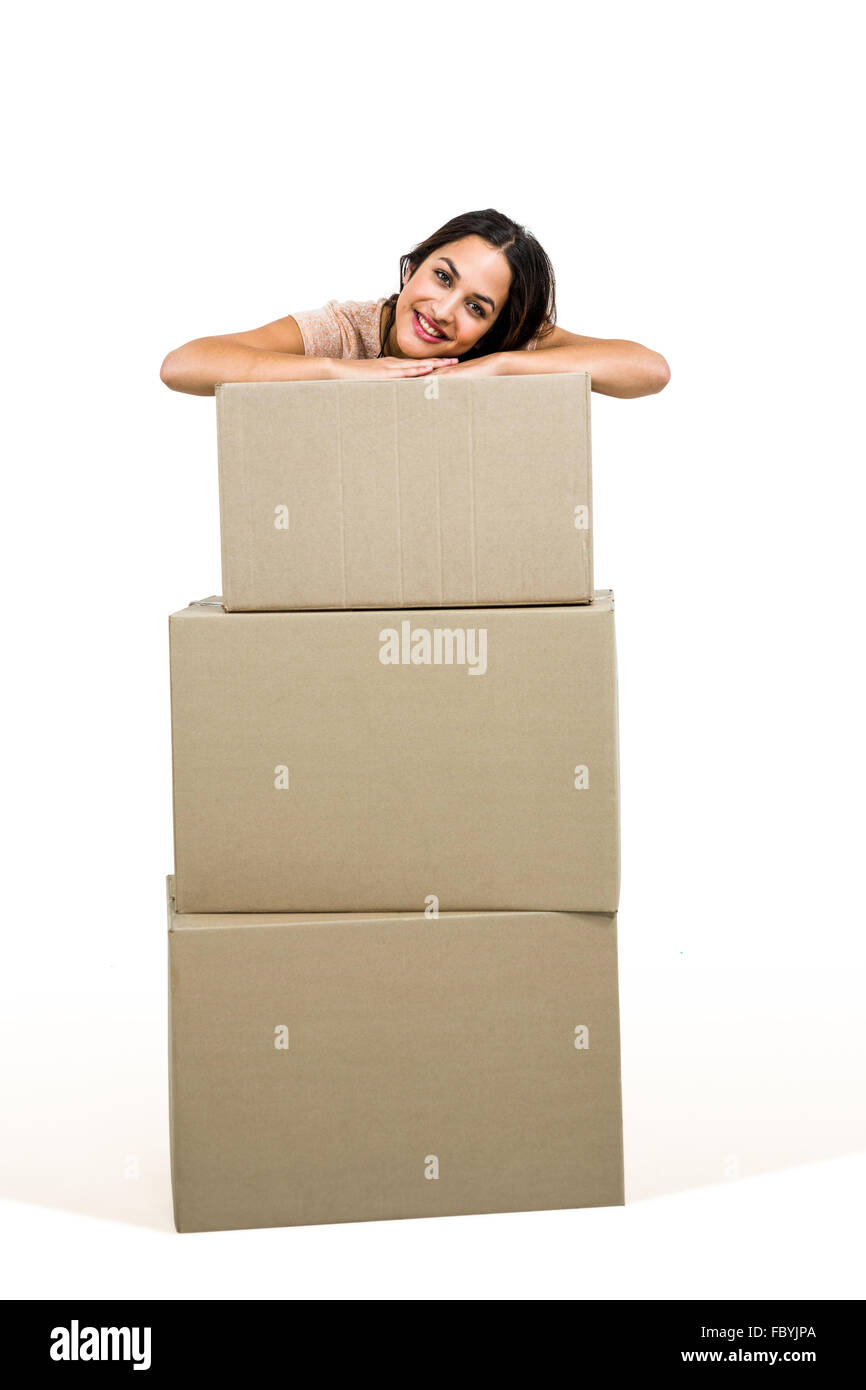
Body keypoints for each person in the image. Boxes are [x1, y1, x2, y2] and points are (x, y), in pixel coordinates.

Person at [160, 208, 670, 399]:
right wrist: (339, 371)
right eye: (442, 277)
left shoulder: (503, 345)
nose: (444, 310)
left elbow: (648, 370)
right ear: (410, 270)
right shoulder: (347, 330)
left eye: (477, 307)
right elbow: (183, 366)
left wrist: (500, 365)